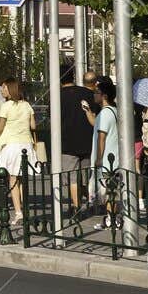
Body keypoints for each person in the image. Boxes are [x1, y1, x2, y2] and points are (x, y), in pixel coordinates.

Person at [0, 78, 37, 226]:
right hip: (26, 144)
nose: (1, 90)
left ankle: (18, 213)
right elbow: (33, 125)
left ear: (10, 89)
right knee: (23, 180)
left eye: (4, 88)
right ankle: (24, 210)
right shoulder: (27, 105)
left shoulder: (6, 106)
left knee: (13, 180)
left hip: (11, 145)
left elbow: (0, 128)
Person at [58, 62, 94, 220]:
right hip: (87, 140)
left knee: (72, 177)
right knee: (85, 176)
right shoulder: (86, 93)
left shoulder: (57, 96)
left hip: (67, 142)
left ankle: (75, 206)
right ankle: (93, 202)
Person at [92, 77, 121, 231]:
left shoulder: (105, 114)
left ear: (104, 96)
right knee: (112, 191)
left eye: (96, 92)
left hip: (107, 160)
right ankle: (113, 218)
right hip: (115, 157)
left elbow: (101, 138)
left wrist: (98, 158)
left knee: (108, 192)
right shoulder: (115, 111)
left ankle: (111, 219)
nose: (94, 95)